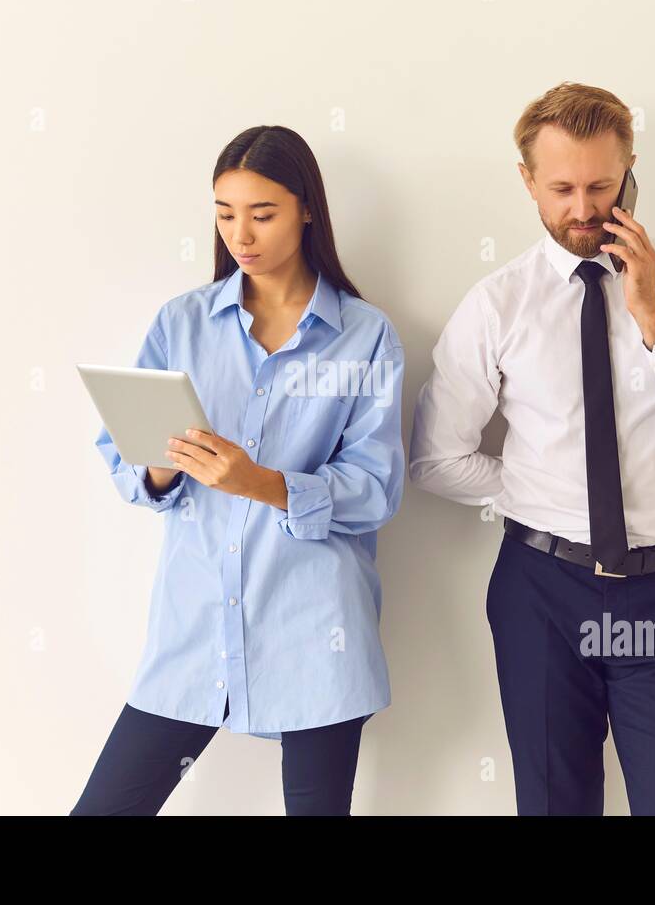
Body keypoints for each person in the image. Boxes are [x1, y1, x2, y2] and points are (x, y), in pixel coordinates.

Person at [409, 82, 655, 815]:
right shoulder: (498, 304)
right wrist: (542, 492)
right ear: (527, 180)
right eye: (561, 187)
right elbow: (435, 457)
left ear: (630, 169)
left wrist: (652, 318)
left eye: (601, 184)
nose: (583, 208)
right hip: (540, 591)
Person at [71, 125, 405, 816]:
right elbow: (126, 457)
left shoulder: (365, 335)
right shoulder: (182, 322)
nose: (240, 235)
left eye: (262, 213)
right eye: (225, 214)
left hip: (316, 631)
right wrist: (162, 472)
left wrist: (262, 483)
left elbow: (376, 489)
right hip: (195, 628)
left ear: (307, 208)